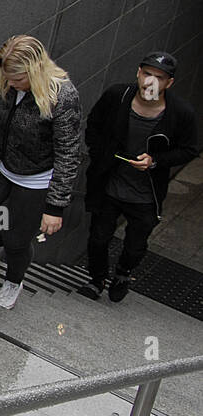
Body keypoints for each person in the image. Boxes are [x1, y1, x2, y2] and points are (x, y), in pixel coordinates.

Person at [0, 36, 82, 309]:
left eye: (17, 80)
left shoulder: (63, 96)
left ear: (35, 71)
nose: (10, 84)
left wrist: (55, 206)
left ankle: (13, 280)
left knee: (17, 238)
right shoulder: (3, 71)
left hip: (34, 177)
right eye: (7, 77)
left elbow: (69, 152)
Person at [80, 52, 199, 303]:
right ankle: (96, 279)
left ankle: (123, 274)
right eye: (147, 74)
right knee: (98, 237)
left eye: (160, 77)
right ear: (138, 73)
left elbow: (189, 149)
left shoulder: (180, 113)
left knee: (135, 245)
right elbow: (94, 125)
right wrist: (102, 154)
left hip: (146, 193)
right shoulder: (117, 96)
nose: (151, 82)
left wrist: (155, 161)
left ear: (169, 83)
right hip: (110, 184)